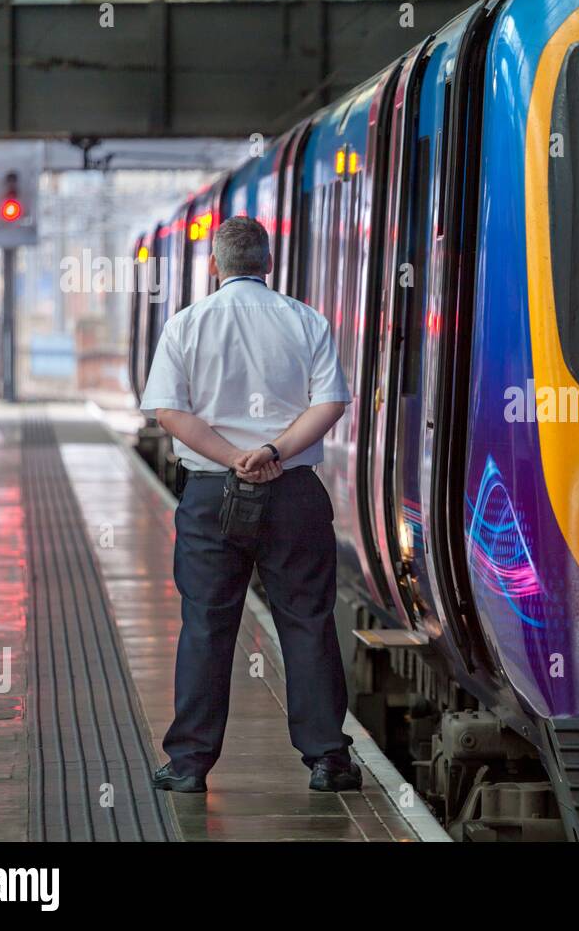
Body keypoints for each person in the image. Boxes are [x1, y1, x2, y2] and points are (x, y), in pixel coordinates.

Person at [139, 215, 360, 793]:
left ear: (215, 265)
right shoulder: (305, 321)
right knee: (307, 621)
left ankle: (188, 766)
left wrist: (235, 456)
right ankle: (328, 760)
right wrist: (271, 451)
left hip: (213, 494)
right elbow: (331, 401)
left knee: (206, 625)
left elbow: (169, 411)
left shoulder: (187, 324)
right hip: (292, 492)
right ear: (268, 263)